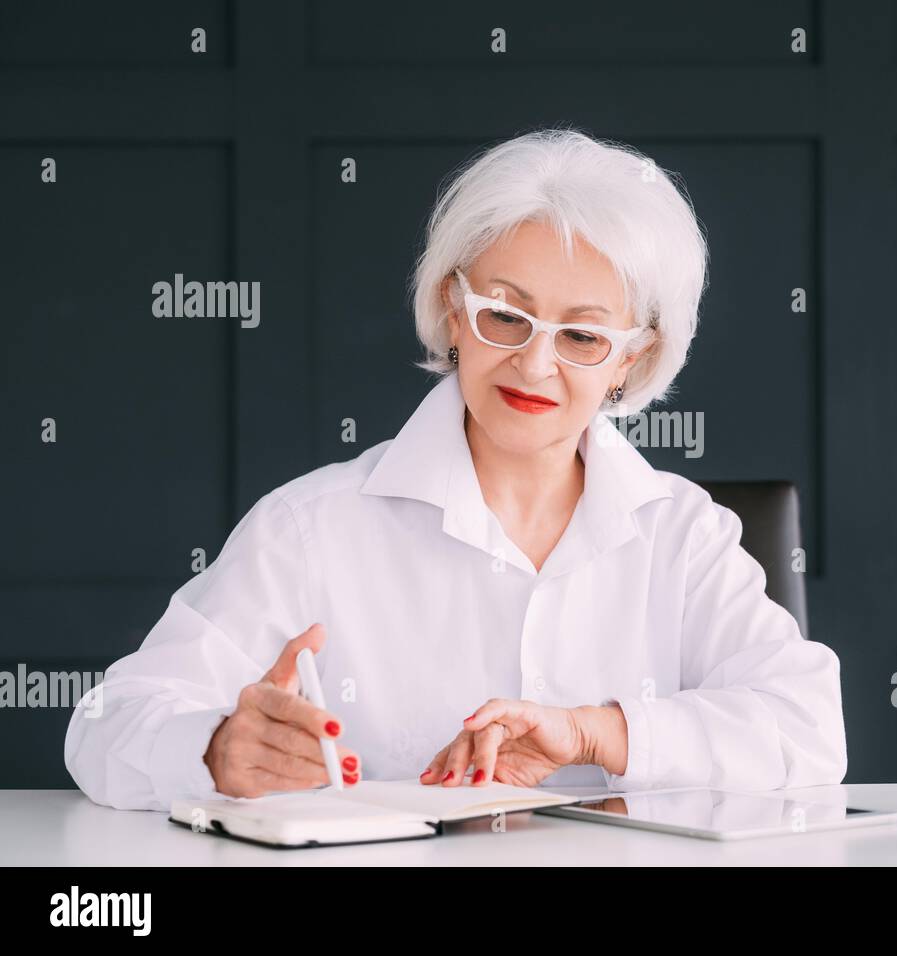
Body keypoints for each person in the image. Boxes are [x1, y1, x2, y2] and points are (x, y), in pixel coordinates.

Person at [64, 128, 848, 811]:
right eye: (504, 315)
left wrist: (594, 732)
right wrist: (214, 751)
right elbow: (105, 724)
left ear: (631, 359)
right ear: (451, 309)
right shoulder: (308, 528)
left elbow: (810, 731)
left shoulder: (682, 534)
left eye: (582, 336)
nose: (534, 364)